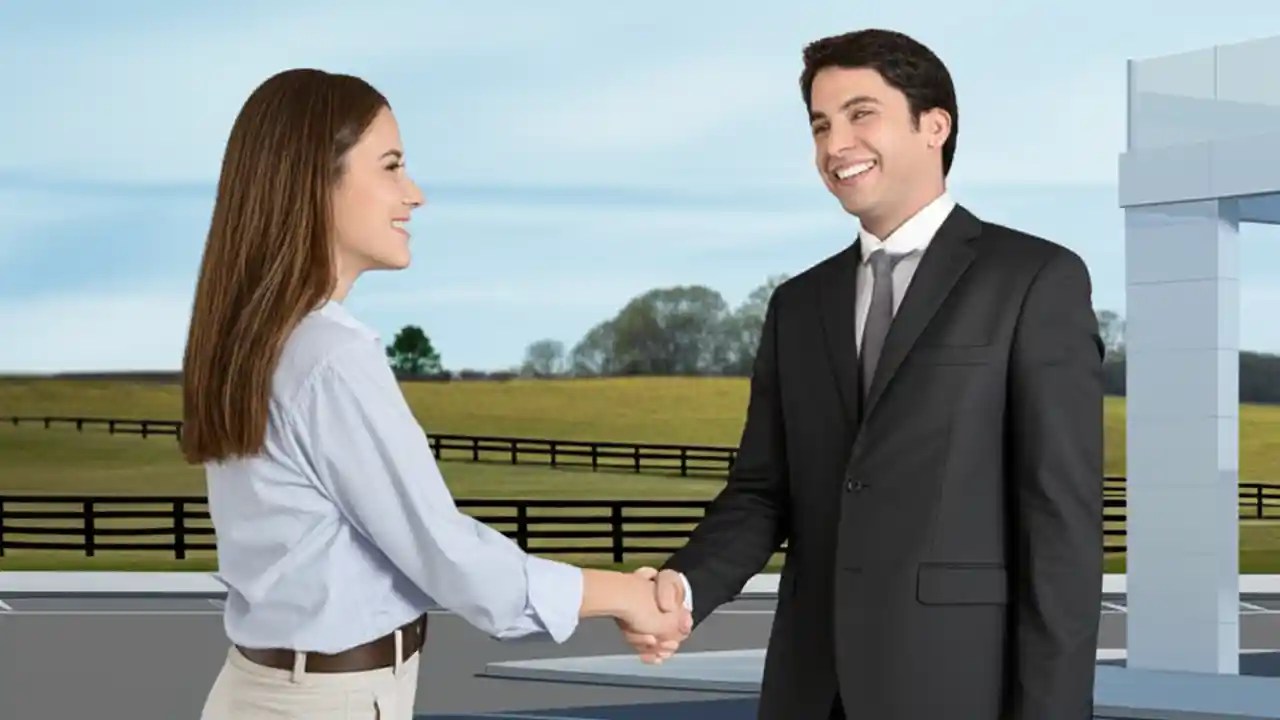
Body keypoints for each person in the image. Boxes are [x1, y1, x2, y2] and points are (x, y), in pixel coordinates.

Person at [619, 28, 1105, 720]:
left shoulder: (1033, 279)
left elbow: (1060, 531)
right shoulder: (797, 305)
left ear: (934, 125)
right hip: (810, 688)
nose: (833, 145)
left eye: (860, 114)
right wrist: (681, 588)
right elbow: (762, 492)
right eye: (820, 125)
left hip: (960, 689)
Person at [181, 68, 691, 720]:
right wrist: (625, 593)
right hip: (326, 702)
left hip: (267, 692)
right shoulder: (331, 357)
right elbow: (448, 556)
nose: (413, 194)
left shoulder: (258, 341)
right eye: (390, 166)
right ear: (317, 183)